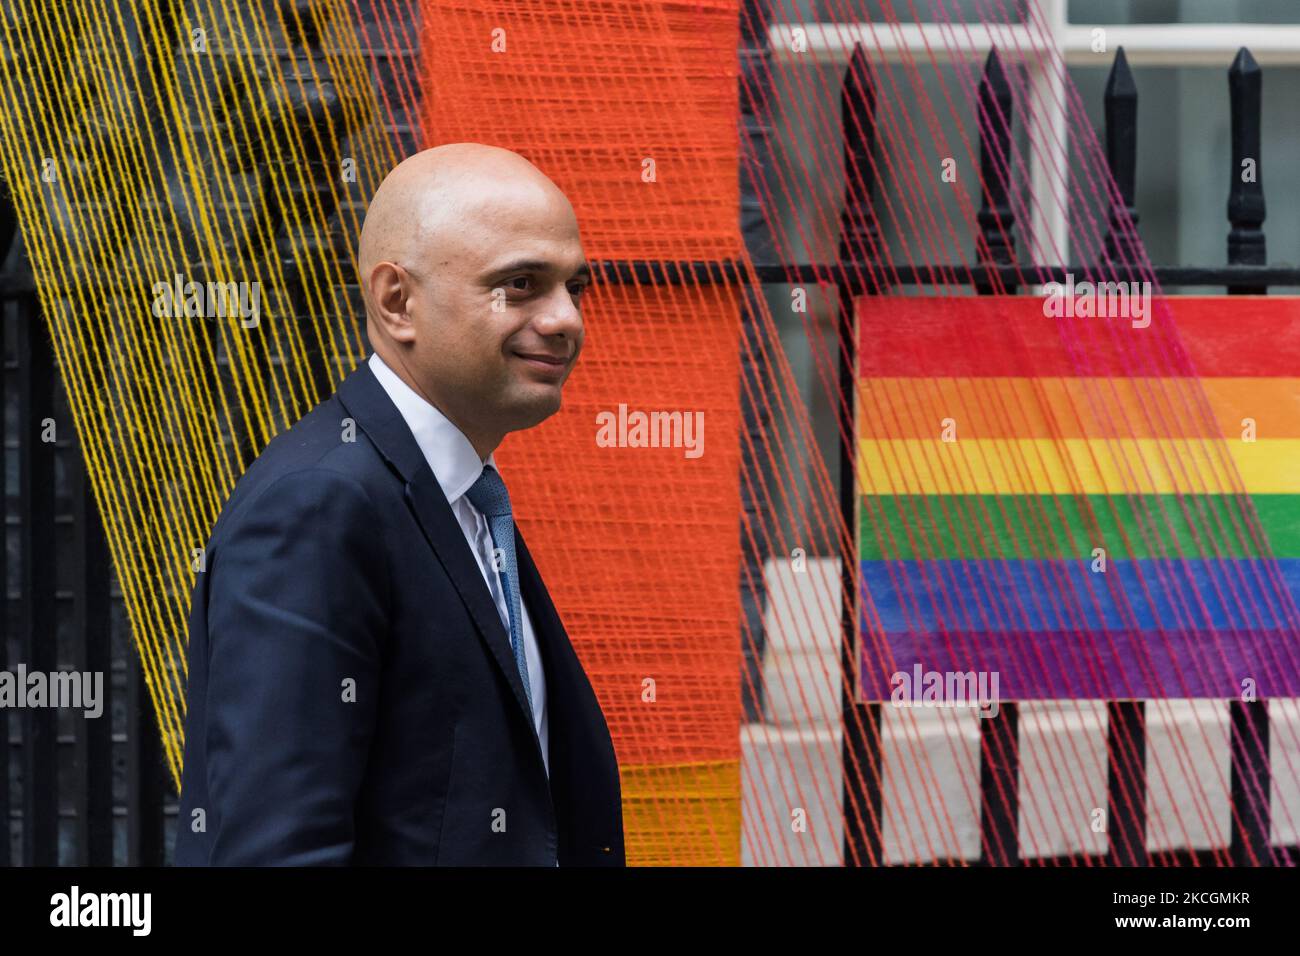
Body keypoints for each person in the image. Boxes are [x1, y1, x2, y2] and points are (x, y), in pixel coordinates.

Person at [172, 143, 624, 866]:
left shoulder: (463, 499)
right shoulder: (318, 505)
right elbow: (277, 848)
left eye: (576, 285)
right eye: (521, 283)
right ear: (396, 301)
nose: (566, 318)